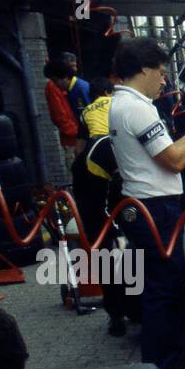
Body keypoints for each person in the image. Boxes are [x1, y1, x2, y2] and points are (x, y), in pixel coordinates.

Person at [109, 36, 185, 369]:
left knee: (171, 284)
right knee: (162, 290)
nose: (164, 79)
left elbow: (169, 152)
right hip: (155, 208)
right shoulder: (138, 108)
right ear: (144, 69)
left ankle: (176, 360)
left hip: (150, 204)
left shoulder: (124, 104)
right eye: (160, 72)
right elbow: (175, 161)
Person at [70, 77, 128, 335]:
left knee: (103, 247)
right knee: (119, 238)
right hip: (108, 160)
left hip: (88, 167)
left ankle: (116, 314)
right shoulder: (121, 103)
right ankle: (129, 306)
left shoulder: (86, 112)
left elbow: (78, 148)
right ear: (109, 91)